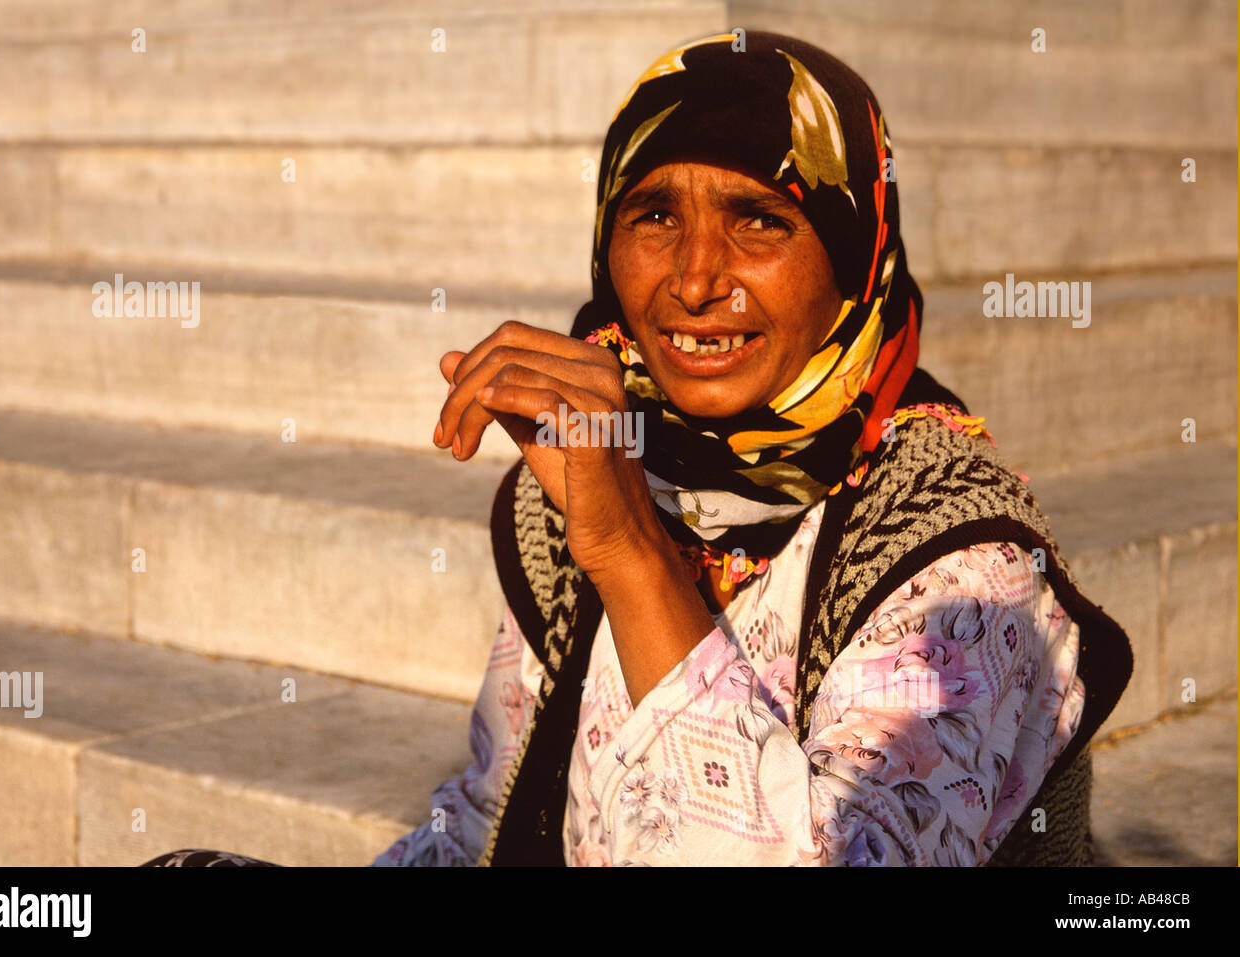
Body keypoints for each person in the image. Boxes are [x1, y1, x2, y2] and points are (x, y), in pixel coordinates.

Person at [144, 29, 1132, 868]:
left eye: (761, 221)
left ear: (852, 250)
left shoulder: (957, 558)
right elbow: (496, 809)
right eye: (654, 215)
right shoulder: (602, 468)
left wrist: (628, 554)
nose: (694, 282)